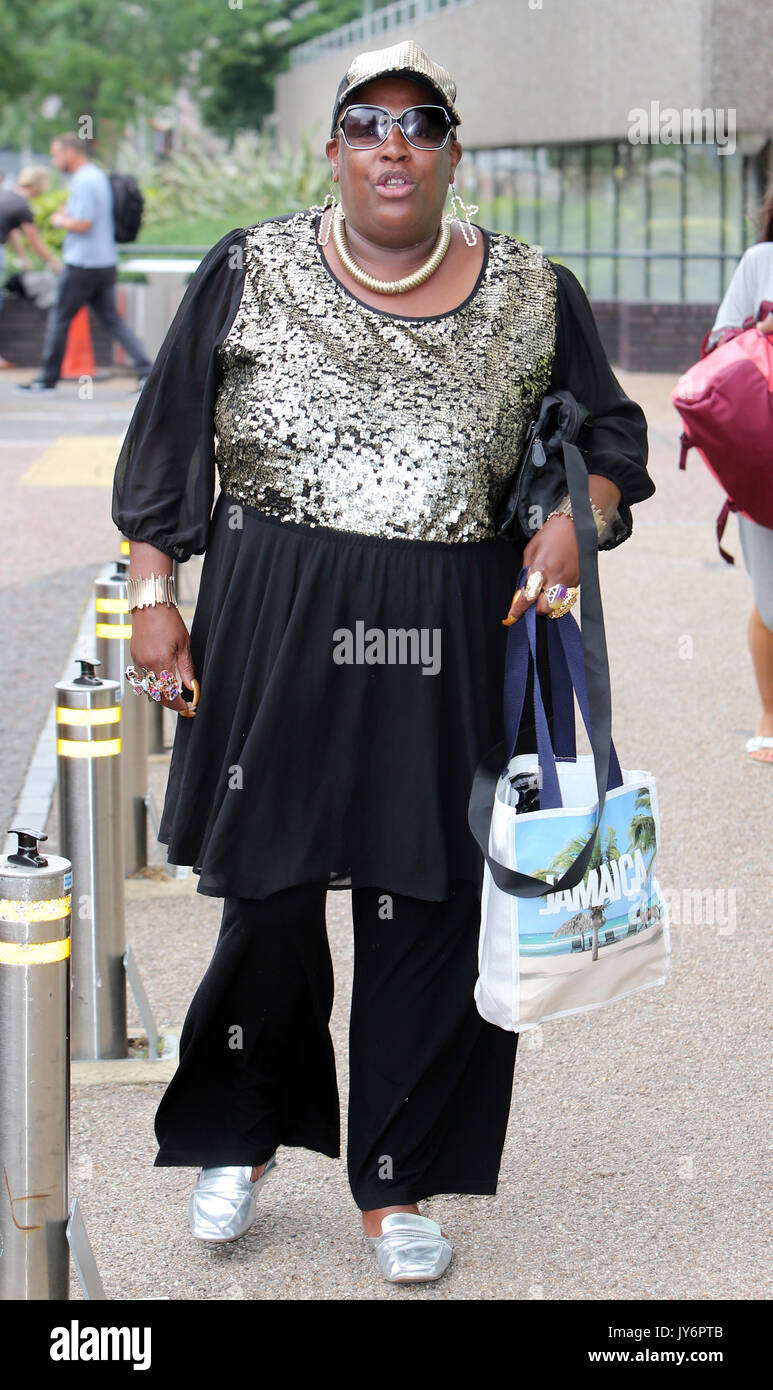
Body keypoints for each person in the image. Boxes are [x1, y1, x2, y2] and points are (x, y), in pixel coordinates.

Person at [112, 41, 654, 1285]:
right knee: (266, 899)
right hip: (270, 625)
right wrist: (155, 596)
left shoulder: (532, 286)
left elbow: (611, 437)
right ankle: (239, 1136)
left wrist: (578, 516)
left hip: (454, 636)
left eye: (420, 123)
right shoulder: (248, 269)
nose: (392, 144)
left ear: (453, 149)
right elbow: (164, 444)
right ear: (336, 148)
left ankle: (396, 1178)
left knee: (428, 902)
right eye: (368, 122)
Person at [706, 183, 773, 765]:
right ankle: (771, 713)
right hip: (766, 457)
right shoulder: (762, 263)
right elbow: (717, 345)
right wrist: (762, 335)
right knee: (772, 596)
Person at [17, 133, 152, 394]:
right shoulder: (95, 176)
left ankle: (46, 380)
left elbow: (83, 223)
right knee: (112, 320)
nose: (55, 161)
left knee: (60, 318)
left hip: (83, 264)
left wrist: (59, 221)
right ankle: (147, 371)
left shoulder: (85, 180)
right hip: (103, 262)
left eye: (57, 154)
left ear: (71, 152)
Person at [0, 166, 62, 367]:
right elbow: (35, 242)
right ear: (38, 185)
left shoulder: (6, 196)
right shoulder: (21, 206)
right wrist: (53, 261)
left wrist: (23, 258)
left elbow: (11, 232)